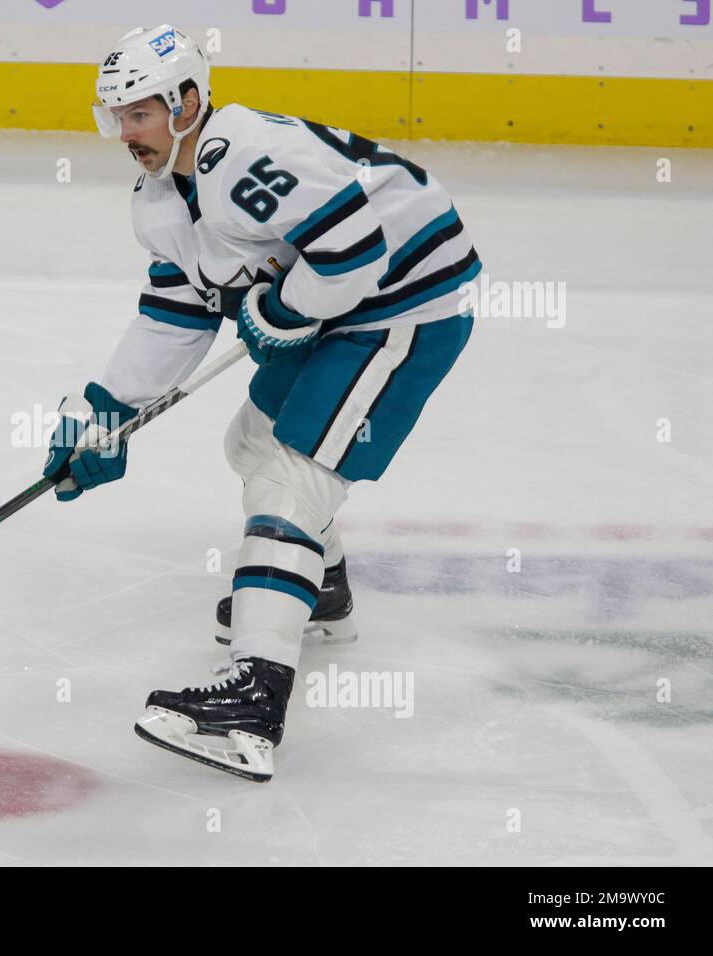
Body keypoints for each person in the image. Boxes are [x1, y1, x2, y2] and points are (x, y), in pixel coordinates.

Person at [42, 25, 480, 782]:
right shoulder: (158, 201)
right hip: (338, 307)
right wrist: (105, 408)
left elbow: (354, 250)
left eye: (138, 113)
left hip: (404, 306)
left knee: (290, 477)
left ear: (186, 102)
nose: (124, 133)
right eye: (115, 115)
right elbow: (175, 316)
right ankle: (322, 584)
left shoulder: (240, 152)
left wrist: (281, 313)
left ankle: (255, 697)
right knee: (250, 443)